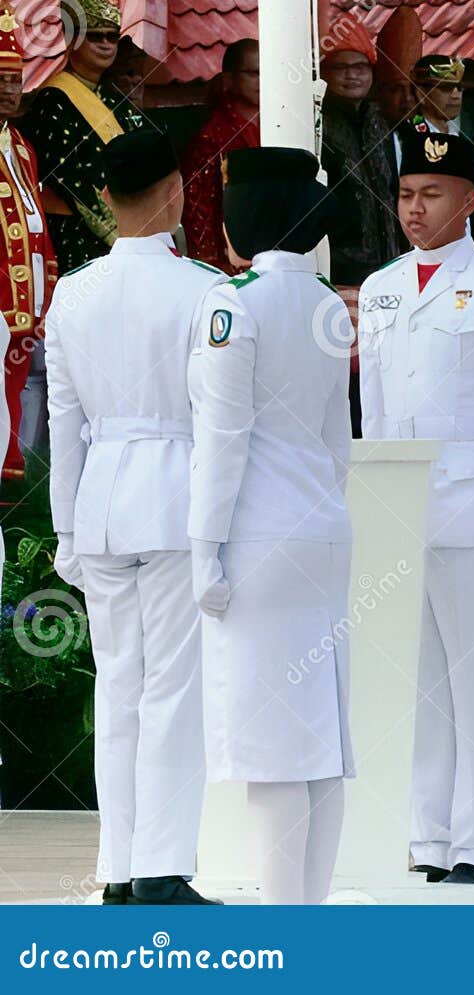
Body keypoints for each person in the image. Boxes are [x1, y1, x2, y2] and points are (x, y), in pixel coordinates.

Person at [358, 132, 474, 887]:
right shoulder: (380, 288)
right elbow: (370, 416)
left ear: (469, 200)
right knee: (419, 687)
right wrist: (368, 518)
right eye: (406, 194)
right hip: (401, 514)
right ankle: (427, 838)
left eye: (432, 193)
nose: (415, 208)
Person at [46, 129, 224, 906]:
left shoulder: (73, 291)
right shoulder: (205, 290)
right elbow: (218, 422)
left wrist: (64, 531)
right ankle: (161, 864)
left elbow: (63, 422)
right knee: (174, 689)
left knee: (116, 685)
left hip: (101, 502)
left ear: (110, 200)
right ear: (177, 192)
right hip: (177, 496)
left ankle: (118, 863)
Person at [188, 146, 353, 905]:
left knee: (273, 747)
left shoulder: (233, 303)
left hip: (255, 532)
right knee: (320, 740)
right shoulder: (325, 302)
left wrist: (203, 550)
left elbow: (222, 440)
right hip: (321, 526)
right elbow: (334, 439)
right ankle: (307, 916)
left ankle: (286, 932)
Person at [22, 0, 142, 274]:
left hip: (130, 237)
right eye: (94, 36)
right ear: (72, 40)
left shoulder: (115, 99)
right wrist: (120, 237)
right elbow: (71, 181)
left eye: (112, 37)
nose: (105, 44)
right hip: (79, 240)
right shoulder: (51, 102)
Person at [0, 7, 55, 481]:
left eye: (14, 78)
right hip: (0, 311)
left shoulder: (20, 145)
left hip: (30, 310)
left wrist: (48, 295)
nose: (8, 87)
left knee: (22, 406)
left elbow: (38, 228)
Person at [320, 14, 403, 286]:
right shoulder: (317, 123)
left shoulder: (382, 121)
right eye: (340, 67)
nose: (352, 75)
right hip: (340, 269)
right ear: (323, 73)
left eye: (360, 67)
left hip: (390, 264)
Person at [180, 39, 261, 273]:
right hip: (229, 262)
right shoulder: (211, 137)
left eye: (266, 71)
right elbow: (199, 212)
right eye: (253, 73)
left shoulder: (280, 121)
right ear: (229, 79)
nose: (262, 80)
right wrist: (212, 268)